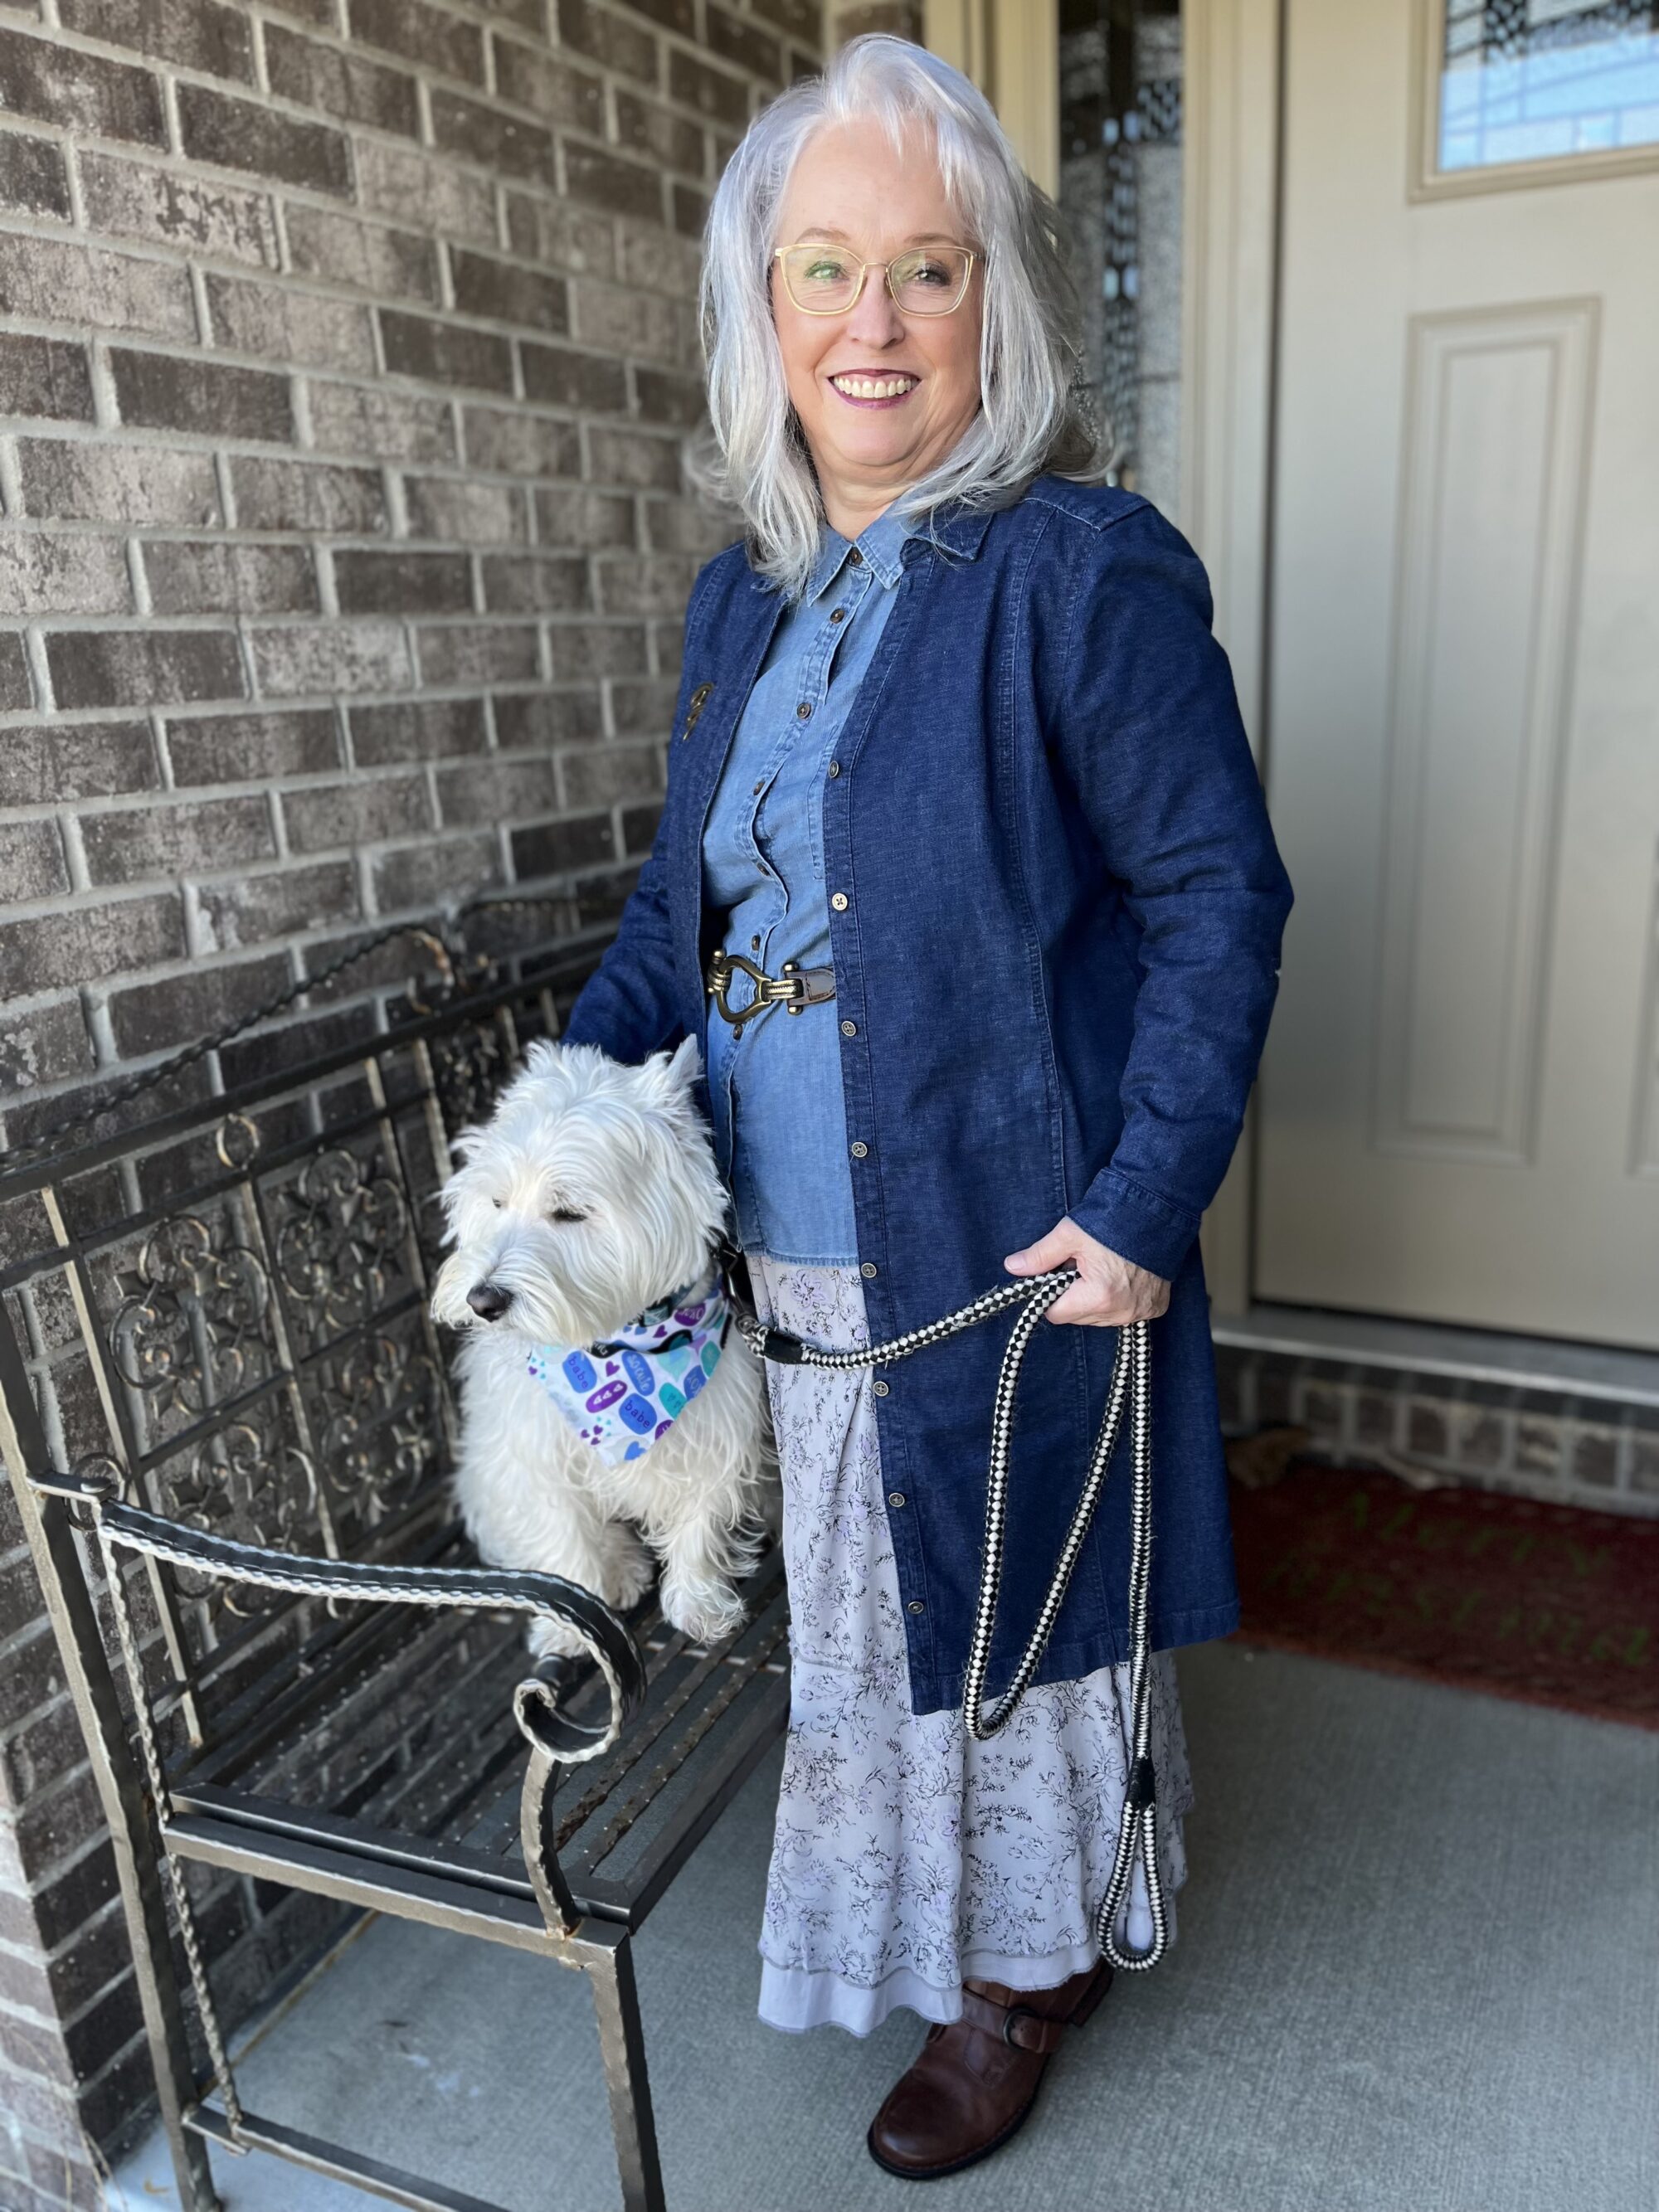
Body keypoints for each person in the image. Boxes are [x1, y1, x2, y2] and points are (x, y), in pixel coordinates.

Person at [562, 32, 1295, 2182]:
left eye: (927, 271)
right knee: (877, 1623)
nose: (868, 325)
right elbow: (665, 924)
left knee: (1012, 1619)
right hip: (788, 1241)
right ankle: (919, 1920)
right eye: (822, 270)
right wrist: (560, 1142)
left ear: (1001, 306)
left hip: (1002, 1233)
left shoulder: (1080, 566)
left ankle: (1026, 1968)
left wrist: (1148, 1199)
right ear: (760, 307)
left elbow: (1215, 900)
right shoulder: (736, 601)